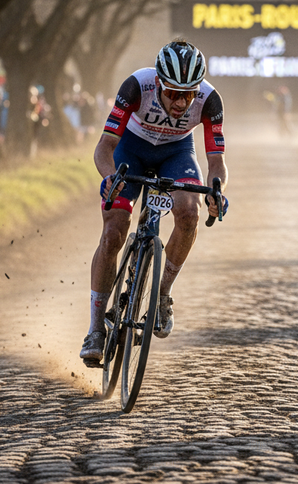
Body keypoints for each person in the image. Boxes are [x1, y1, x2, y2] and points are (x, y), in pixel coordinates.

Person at [80, 39, 229, 365]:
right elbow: (104, 147)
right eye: (173, 93)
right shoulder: (137, 86)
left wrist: (216, 190)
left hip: (177, 153)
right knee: (113, 232)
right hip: (131, 149)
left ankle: (161, 296)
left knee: (189, 213)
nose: (181, 102)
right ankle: (95, 328)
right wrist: (109, 178)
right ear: (159, 82)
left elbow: (216, 161)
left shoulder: (210, 100)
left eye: (188, 94)